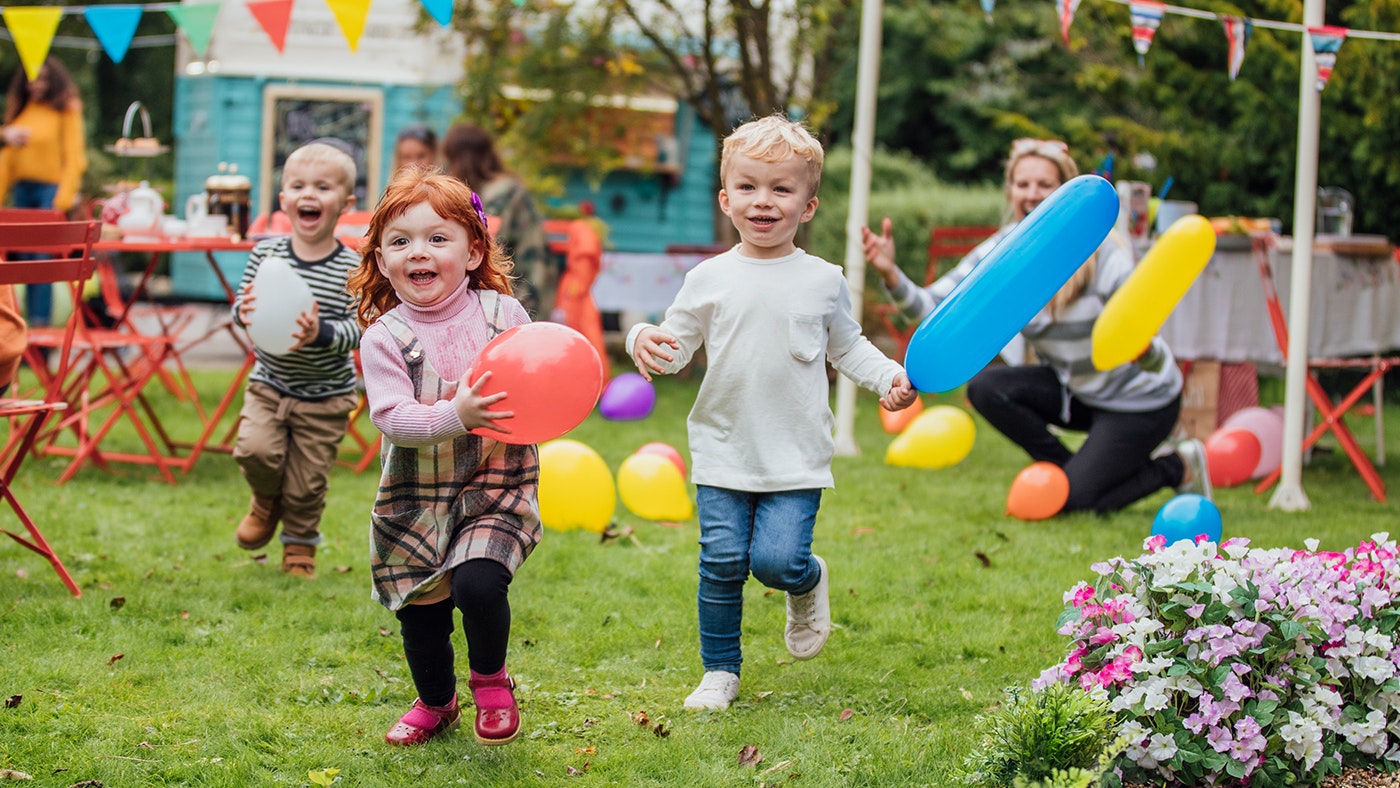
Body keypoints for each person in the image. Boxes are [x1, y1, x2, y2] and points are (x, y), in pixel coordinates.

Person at [628, 114, 918, 711]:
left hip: (795, 451)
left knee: (776, 559)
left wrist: (890, 376)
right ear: (726, 198)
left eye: (782, 189)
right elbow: (673, 347)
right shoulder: (707, 277)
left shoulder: (823, 280)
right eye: (750, 187)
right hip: (723, 445)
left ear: (807, 206)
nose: (764, 202)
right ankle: (720, 671)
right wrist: (641, 340)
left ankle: (806, 579)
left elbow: (849, 347)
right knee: (723, 562)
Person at [860, 138, 1210, 515]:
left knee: (1074, 504)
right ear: (1009, 190)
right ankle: (1068, 471)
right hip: (1077, 393)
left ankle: (1179, 465)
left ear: (1065, 191)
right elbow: (934, 311)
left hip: (1140, 399)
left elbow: (1140, 326)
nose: (1031, 194)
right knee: (987, 389)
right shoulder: (1002, 252)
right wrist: (891, 274)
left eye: (1045, 185)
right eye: (1022, 184)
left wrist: (1147, 354)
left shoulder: (1103, 250)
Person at [346, 168, 538, 747]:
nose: (418, 252)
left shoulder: (505, 318)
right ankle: (437, 701)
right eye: (400, 241)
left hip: (495, 483)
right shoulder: (384, 337)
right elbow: (393, 418)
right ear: (381, 261)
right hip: (415, 497)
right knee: (421, 612)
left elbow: (539, 383)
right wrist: (460, 414)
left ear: (473, 249)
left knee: (480, 585)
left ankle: (491, 680)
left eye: (437, 238)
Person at [230, 141, 362, 578]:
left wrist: (320, 332)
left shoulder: (351, 267)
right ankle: (266, 502)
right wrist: (243, 312)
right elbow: (241, 306)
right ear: (283, 199)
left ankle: (300, 547)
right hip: (270, 383)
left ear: (345, 204)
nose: (309, 194)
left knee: (308, 481)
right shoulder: (264, 255)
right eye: (298, 185)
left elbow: (361, 328)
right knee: (253, 451)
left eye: (322, 187)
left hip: (326, 396)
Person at [0, 57, 87, 327]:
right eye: (32, 79)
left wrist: (62, 198)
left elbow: (75, 156)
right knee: (21, 263)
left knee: (41, 260)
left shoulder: (66, 109)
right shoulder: (21, 110)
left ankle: (39, 329)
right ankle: (20, 329)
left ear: (54, 81)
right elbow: (7, 160)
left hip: (49, 193)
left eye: (43, 80)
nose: (36, 85)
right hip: (21, 191)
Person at [441, 123, 551, 320]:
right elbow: (535, 260)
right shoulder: (512, 192)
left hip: (470, 306)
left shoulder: (450, 197)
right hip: (507, 300)